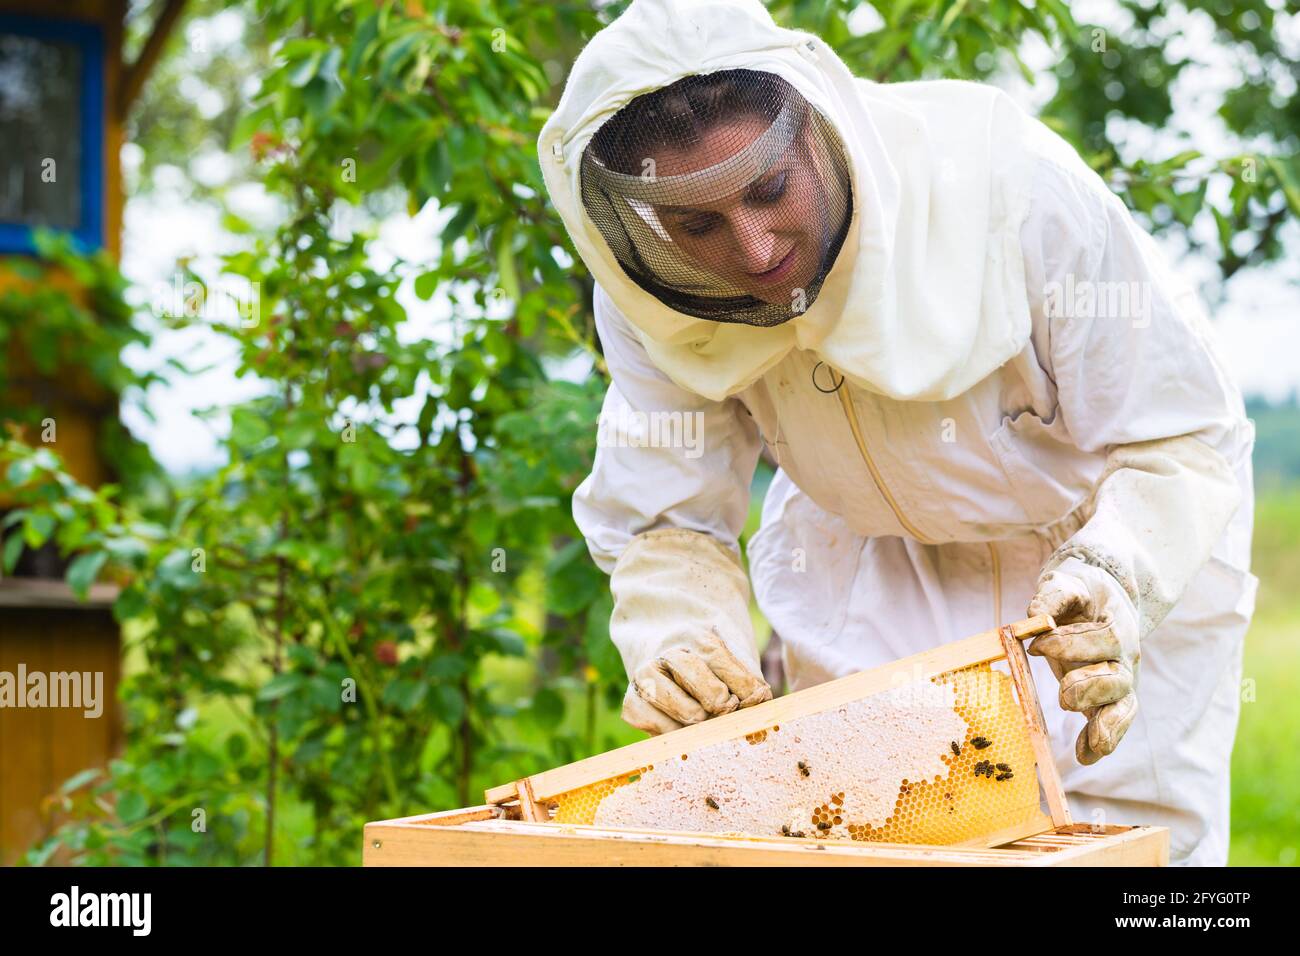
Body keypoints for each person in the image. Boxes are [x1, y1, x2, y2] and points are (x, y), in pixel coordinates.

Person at [537, 0, 1258, 866]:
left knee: (1125, 851)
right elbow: (668, 519)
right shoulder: (654, 296)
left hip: (1092, 552)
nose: (757, 249)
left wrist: (1115, 579)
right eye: (699, 225)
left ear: (817, 134)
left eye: (769, 190)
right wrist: (682, 641)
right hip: (867, 558)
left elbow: (1178, 439)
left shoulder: (1017, 189)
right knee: (869, 830)